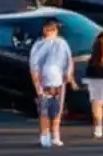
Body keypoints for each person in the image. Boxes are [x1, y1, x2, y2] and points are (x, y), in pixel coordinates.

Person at [29, 19, 76, 148]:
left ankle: (55, 135)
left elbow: (69, 60)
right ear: (45, 30)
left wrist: (69, 76)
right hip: (45, 84)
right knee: (44, 112)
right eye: (50, 29)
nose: (53, 32)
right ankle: (45, 136)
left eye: (55, 29)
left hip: (59, 83)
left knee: (57, 111)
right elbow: (34, 67)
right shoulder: (38, 46)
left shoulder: (62, 43)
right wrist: (37, 86)